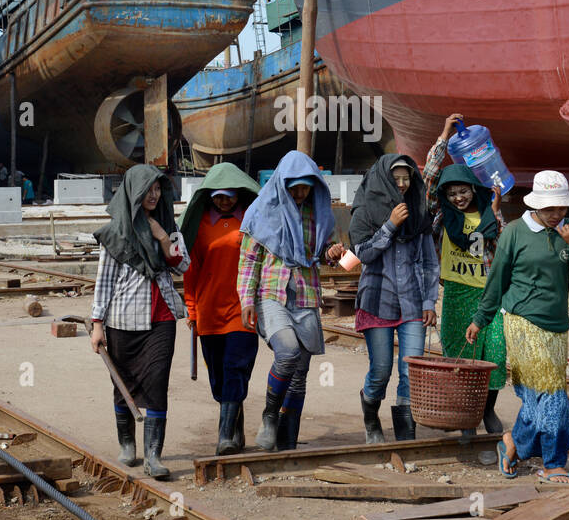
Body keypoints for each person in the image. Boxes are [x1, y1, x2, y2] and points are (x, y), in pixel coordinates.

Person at [468, 170, 569, 484]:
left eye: (561, 208)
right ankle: (554, 464)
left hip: (556, 328)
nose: (557, 215)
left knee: (539, 399)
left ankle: (512, 442)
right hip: (522, 323)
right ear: (536, 205)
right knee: (553, 396)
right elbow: (497, 278)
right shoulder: (515, 232)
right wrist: (481, 318)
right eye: (550, 209)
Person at [238, 151, 345, 451]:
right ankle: (270, 416)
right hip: (272, 294)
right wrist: (246, 299)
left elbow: (325, 253)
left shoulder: (319, 213)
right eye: (294, 187)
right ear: (282, 184)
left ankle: (288, 442)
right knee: (287, 354)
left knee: (300, 374)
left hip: (307, 295)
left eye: (305, 187)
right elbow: (249, 261)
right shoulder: (261, 211)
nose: (300, 193)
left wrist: (332, 254)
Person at [88, 165, 188, 480]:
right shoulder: (116, 232)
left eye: (158, 189)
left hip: (161, 319)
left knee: (157, 384)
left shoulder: (169, 226)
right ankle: (128, 443)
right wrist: (97, 323)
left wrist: (161, 238)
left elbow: (183, 264)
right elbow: (104, 281)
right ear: (133, 192)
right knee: (124, 384)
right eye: (148, 190)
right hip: (122, 320)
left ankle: (153, 456)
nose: (154, 195)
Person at [349, 154, 439, 443]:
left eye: (407, 177)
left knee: (411, 369)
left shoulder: (418, 210)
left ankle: (405, 436)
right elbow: (362, 254)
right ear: (383, 178)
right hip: (377, 301)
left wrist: (429, 301)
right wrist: (389, 225)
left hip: (413, 302)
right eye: (396, 177)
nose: (402, 184)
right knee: (381, 370)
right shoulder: (364, 210)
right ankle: (371, 418)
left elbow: (429, 262)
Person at [180, 163, 261, 455]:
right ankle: (234, 424)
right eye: (218, 196)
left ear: (239, 194)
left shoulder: (253, 220)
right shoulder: (198, 226)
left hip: (243, 310)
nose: (223, 201)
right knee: (218, 379)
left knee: (236, 369)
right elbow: (191, 271)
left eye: (229, 195)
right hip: (209, 311)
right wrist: (192, 310)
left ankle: (224, 436)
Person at [432, 163, 507, 434]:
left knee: (495, 353)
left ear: (474, 189)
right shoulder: (443, 218)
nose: (458, 198)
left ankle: (487, 410)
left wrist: (496, 211)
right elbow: (430, 182)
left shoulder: (490, 214)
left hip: (489, 295)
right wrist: (443, 137)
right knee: (462, 357)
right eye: (451, 193)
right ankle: (467, 415)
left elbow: (504, 245)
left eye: (463, 191)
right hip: (456, 293)